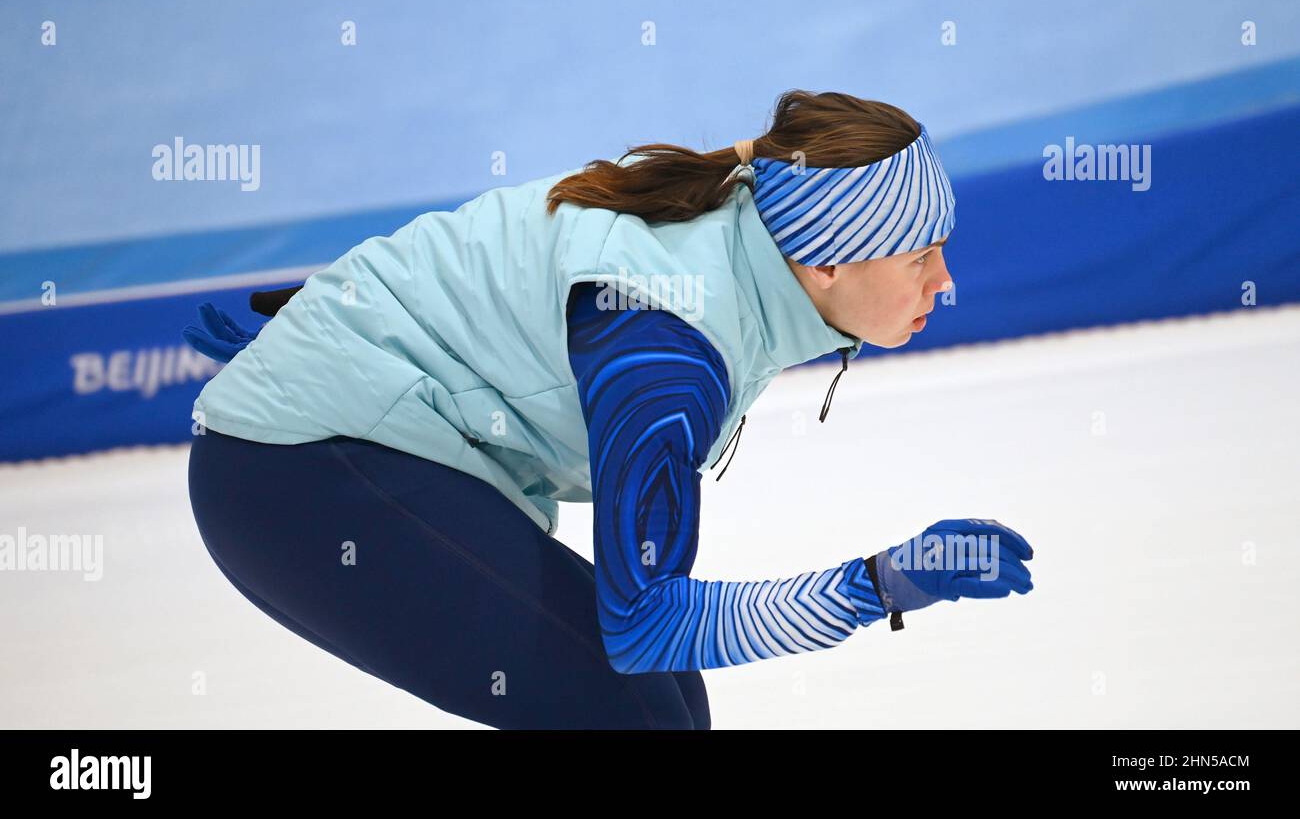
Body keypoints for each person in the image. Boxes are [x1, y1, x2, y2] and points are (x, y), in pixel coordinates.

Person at [184, 90, 1034, 730]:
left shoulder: (749, 199)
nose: (945, 280)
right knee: (637, 713)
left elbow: (520, 245)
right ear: (824, 267)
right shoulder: (668, 348)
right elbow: (646, 623)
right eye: (920, 254)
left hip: (348, 430)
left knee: (666, 707)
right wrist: (879, 584)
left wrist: (342, 324)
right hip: (293, 482)